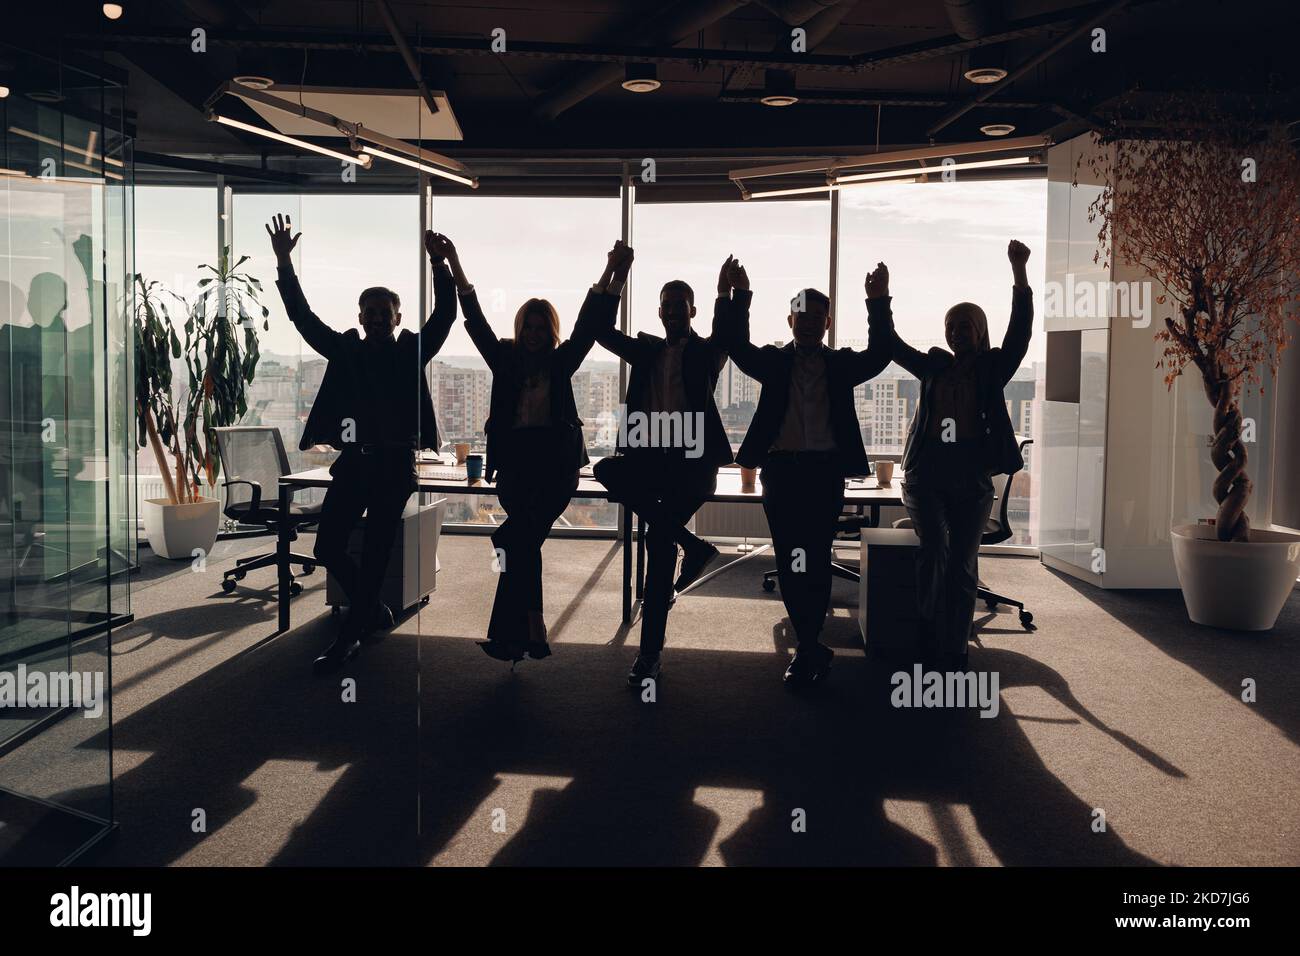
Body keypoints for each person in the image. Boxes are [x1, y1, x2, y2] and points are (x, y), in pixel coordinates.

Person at [268, 215, 457, 674]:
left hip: (393, 468)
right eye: (368, 311)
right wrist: (283, 263)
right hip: (354, 465)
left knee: (374, 555)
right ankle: (371, 609)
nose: (375, 318)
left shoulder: (411, 349)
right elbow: (302, 317)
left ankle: (349, 638)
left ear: (397, 318)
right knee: (327, 548)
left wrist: (440, 265)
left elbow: (446, 315)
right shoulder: (346, 350)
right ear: (360, 318)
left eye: (383, 312)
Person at [433, 234, 631, 664]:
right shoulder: (503, 360)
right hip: (517, 466)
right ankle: (529, 630)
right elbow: (474, 317)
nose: (535, 334)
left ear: (550, 331)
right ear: (519, 328)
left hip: (555, 467)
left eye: (543, 328)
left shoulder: (563, 362)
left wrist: (614, 271)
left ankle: (522, 630)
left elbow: (587, 326)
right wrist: (452, 262)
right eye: (529, 327)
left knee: (517, 541)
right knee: (524, 545)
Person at [719, 257, 894, 687]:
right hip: (781, 473)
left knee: (812, 559)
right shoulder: (775, 363)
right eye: (802, 316)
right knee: (791, 559)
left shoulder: (841, 365)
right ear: (790, 319)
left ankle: (809, 644)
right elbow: (734, 345)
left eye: (818, 317)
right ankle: (810, 643)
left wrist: (877, 302)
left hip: (823, 475)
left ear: (828, 323)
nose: (809, 323)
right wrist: (735, 295)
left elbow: (881, 353)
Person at [885, 240, 1033, 669]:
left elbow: (1020, 332)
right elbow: (893, 346)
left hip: (970, 478)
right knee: (935, 550)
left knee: (963, 562)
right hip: (927, 474)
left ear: (980, 330)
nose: (956, 332)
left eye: (965, 325)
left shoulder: (993, 368)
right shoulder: (932, 365)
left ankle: (954, 647)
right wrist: (879, 301)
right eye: (951, 325)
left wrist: (1019, 273)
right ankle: (927, 635)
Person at [589, 264, 736, 687]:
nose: (674, 312)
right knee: (604, 469)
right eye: (667, 306)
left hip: (692, 464)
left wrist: (724, 292)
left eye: (681, 306)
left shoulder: (706, 353)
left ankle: (648, 655)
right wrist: (613, 277)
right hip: (649, 459)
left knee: (657, 541)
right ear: (659, 312)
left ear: (692, 310)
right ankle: (692, 544)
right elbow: (600, 328)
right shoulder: (646, 350)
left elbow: (727, 334)